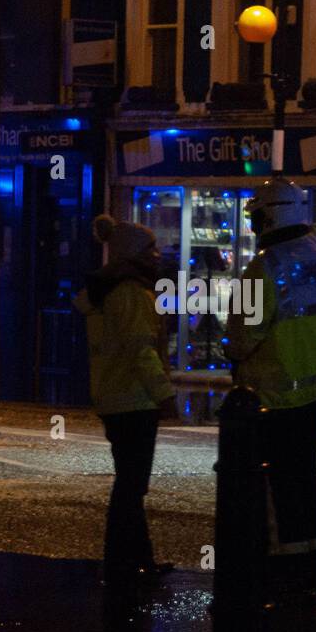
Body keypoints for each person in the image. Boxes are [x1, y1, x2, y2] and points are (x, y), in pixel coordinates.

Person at [226, 179, 316, 592]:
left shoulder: (264, 266)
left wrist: (233, 355)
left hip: (271, 393)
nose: (254, 225)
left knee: (276, 487)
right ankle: (311, 560)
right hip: (311, 391)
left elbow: (244, 333)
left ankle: (282, 567)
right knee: (307, 481)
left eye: (256, 216)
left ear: (271, 215)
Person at [73, 214, 177, 586]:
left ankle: (136, 560)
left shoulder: (111, 291)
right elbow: (141, 351)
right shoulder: (131, 292)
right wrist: (165, 395)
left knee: (130, 485)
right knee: (131, 487)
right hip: (135, 401)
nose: (157, 255)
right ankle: (123, 564)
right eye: (150, 249)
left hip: (117, 399)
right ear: (133, 254)